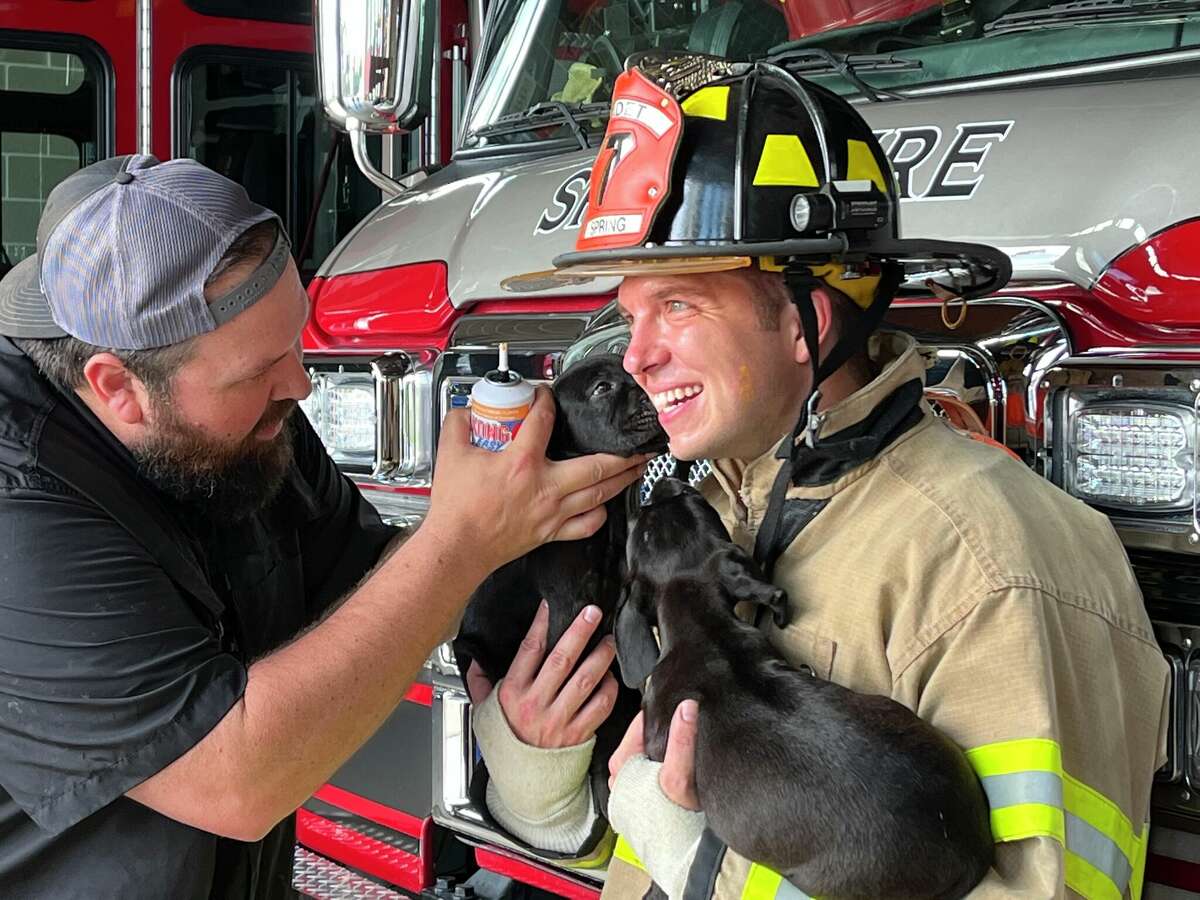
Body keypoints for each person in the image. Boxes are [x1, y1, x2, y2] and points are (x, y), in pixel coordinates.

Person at [474, 52, 1171, 899]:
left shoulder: (992, 565)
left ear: (809, 318)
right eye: (630, 314)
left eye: (680, 305)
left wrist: (697, 860)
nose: (639, 357)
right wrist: (552, 797)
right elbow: (675, 834)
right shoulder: (716, 508)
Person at [0, 154, 648, 899]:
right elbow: (236, 777)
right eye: (260, 370)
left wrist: (528, 533)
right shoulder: (19, 503)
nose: (300, 385)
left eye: (296, 342)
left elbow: (377, 588)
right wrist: (461, 539)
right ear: (118, 388)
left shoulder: (248, 424)